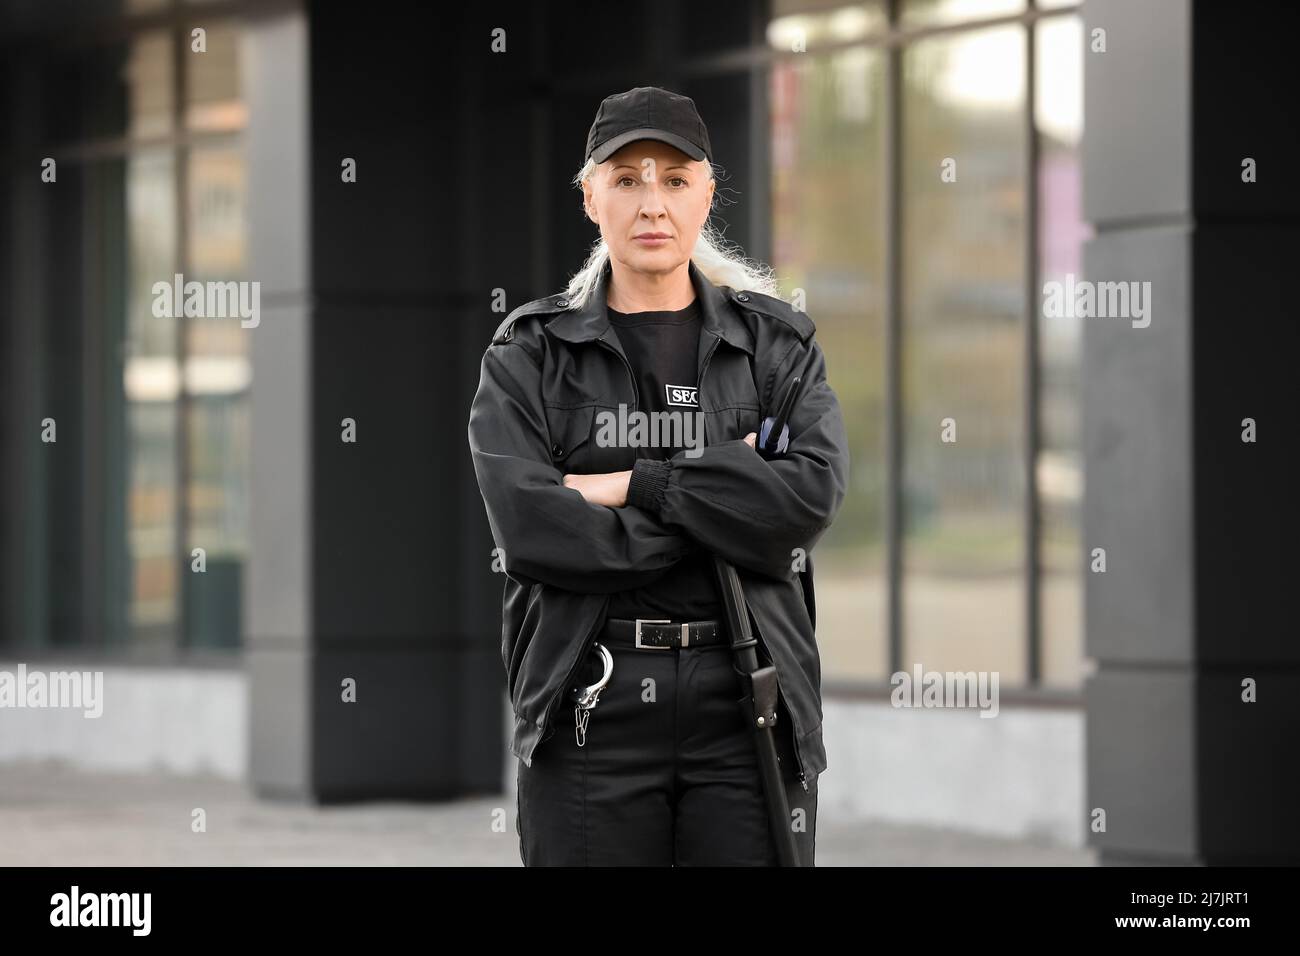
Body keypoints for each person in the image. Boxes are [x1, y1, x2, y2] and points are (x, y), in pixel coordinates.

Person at [467, 86, 850, 866]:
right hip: (589, 702)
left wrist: (633, 485)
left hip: (748, 704)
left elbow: (806, 499)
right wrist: (729, 506)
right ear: (590, 196)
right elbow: (532, 528)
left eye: (675, 180)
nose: (653, 203)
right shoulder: (531, 353)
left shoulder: (774, 346)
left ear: (707, 193)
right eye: (628, 179)